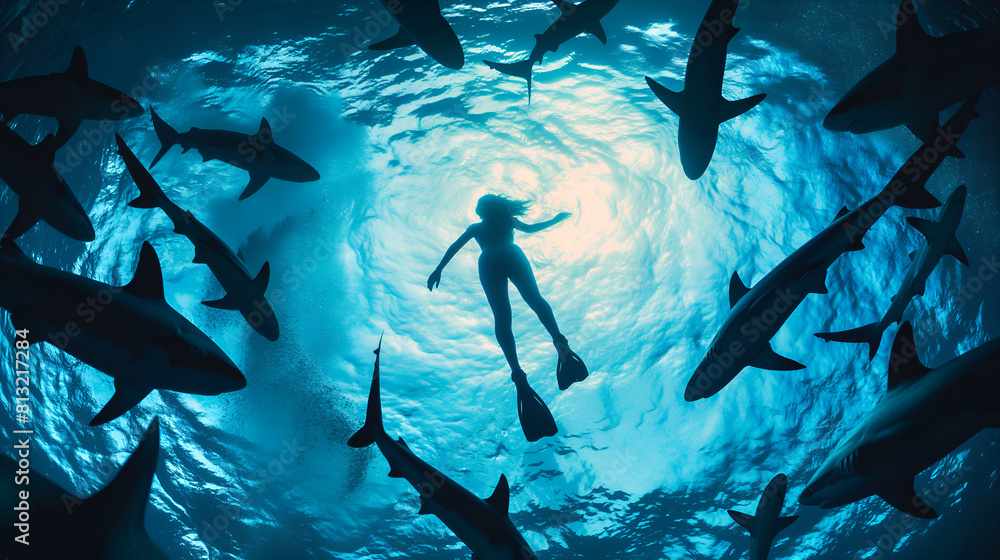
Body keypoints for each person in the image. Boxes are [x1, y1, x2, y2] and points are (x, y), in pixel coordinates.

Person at [427, 194, 588, 441]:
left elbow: (454, 247)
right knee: (535, 300)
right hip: (512, 254)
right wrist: (555, 220)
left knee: (502, 317)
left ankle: (518, 374)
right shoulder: (508, 220)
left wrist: (439, 268)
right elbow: (533, 229)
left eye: (478, 205)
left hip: (489, 260)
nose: (476, 208)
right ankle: (559, 340)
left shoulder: (477, 227)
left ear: (485, 208)